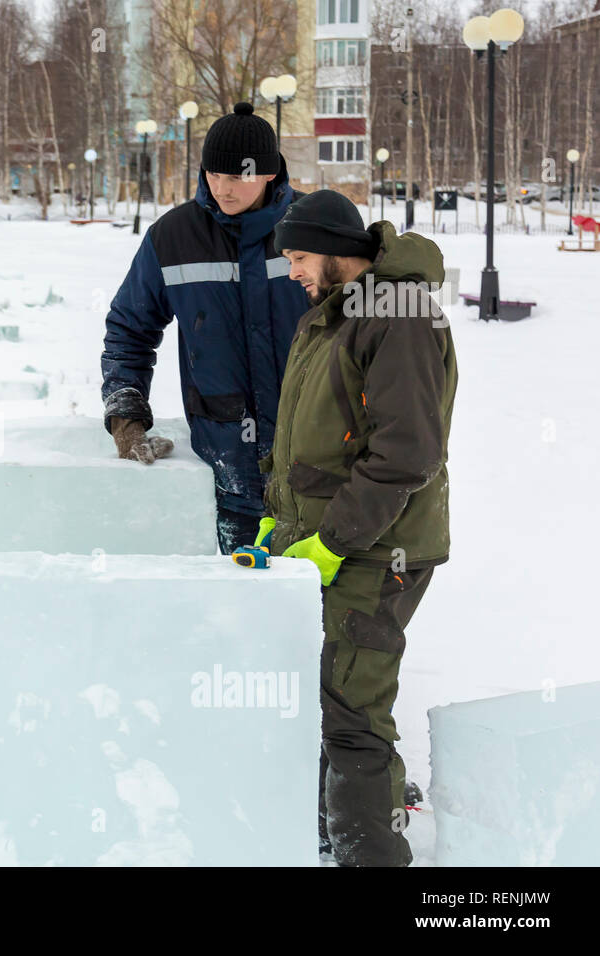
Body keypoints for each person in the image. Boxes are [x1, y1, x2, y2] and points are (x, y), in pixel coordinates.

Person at [261, 189, 457, 866]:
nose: (293, 271)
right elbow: (309, 444)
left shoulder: (395, 315)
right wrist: (276, 522)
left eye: (299, 256)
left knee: (352, 710)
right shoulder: (332, 317)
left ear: (339, 251)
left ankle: (368, 855)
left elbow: (407, 453)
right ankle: (338, 836)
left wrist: (334, 540)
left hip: (380, 549)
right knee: (336, 700)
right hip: (340, 544)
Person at [101, 103, 310, 553]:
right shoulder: (173, 237)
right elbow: (128, 328)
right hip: (227, 474)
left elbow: (369, 324)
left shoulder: (314, 228)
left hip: (317, 471)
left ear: (270, 173)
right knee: (234, 613)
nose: (223, 189)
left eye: (237, 177)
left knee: (315, 616)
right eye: (214, 175)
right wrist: (126, 415)